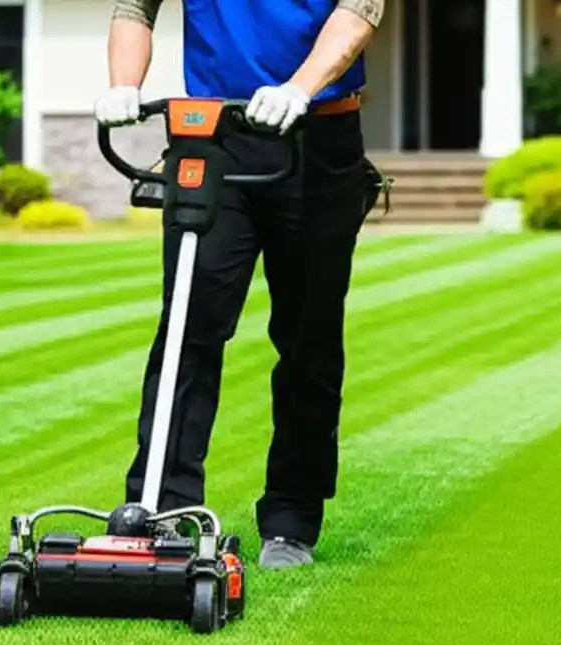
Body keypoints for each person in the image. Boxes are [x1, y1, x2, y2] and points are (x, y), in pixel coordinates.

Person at [94, 0, 385, 569]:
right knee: (188, 322)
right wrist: (123, 85)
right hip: (213, 138)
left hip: (316, 138)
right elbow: (133, 8)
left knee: (309, 339)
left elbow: (362, 10)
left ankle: (290, 520)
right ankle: (161, 510)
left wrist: (299, 88)